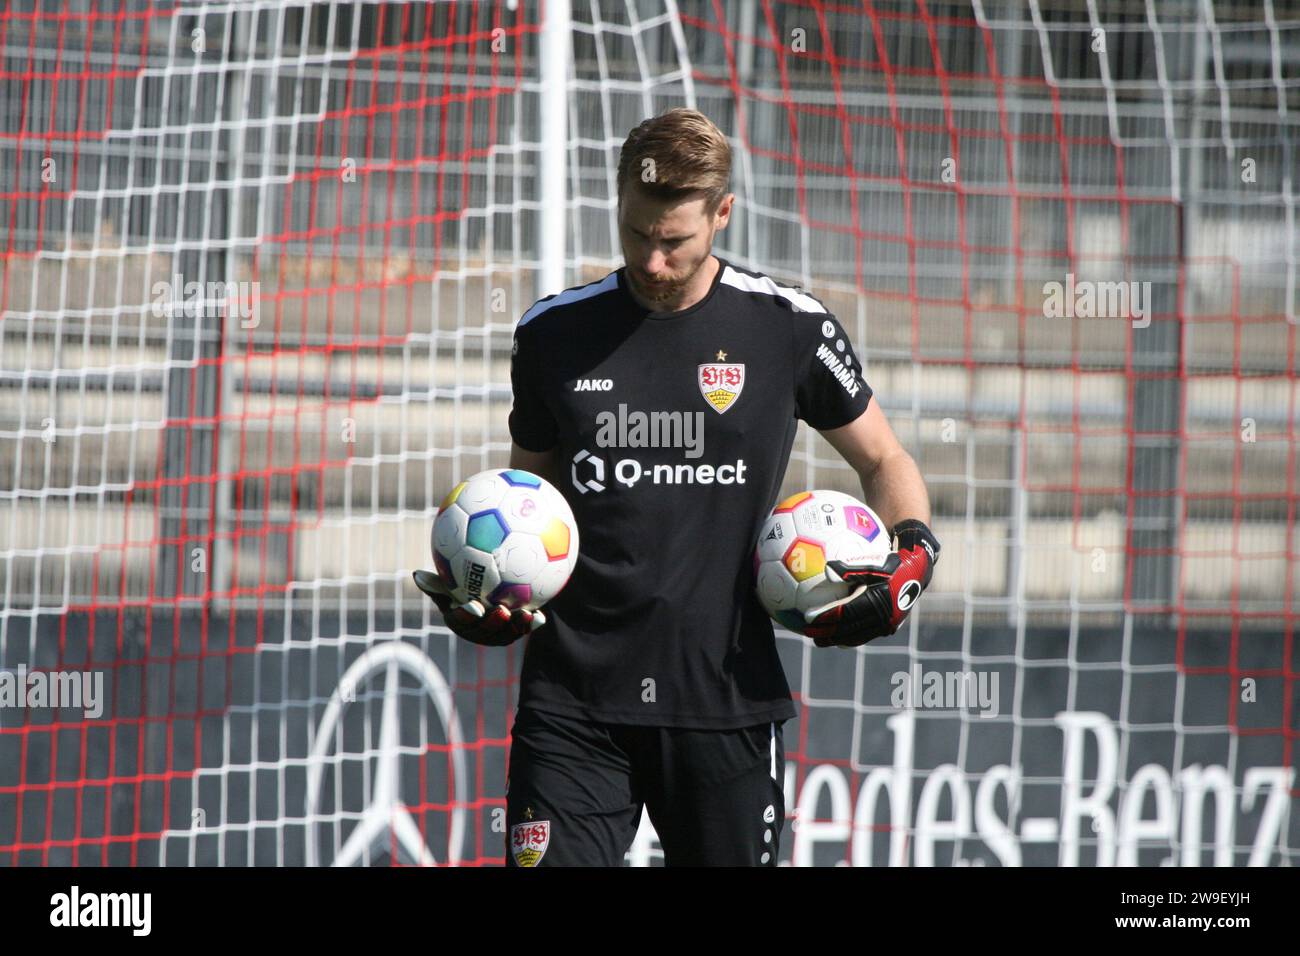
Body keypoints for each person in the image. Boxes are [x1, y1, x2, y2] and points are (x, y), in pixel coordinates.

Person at [413, 108, 939, 867]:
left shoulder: (788, 328)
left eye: (675, 242)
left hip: (724, 702)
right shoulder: (552, 336)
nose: (652, 262)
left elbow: (885, 460)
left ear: (722, 214)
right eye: (637, 235)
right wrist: (493, 597)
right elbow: (528, 503)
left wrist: (911, 558)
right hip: (573, 709)